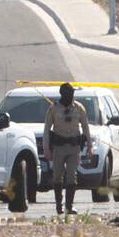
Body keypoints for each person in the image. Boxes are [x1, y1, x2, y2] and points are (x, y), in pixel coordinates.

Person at [44, 82, 93, 218]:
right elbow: (47, 130)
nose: (72, 96)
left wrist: (89, 145)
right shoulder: (53, 109)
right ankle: (59, 205)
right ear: (63, 95)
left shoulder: (79, 108)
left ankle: (69, 207)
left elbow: (85, 127)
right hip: (59, 147)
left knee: (72, 175)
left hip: (74, 147)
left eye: (72, 94)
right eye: (69, 94)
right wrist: (46, 148)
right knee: (57, 176)